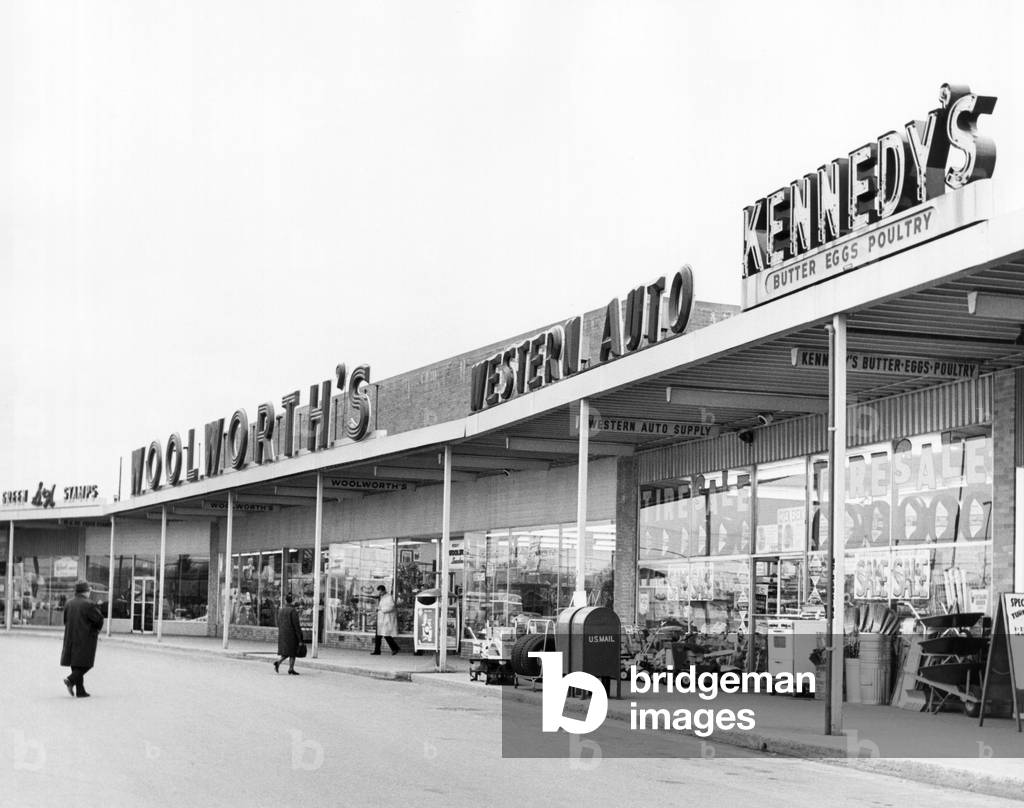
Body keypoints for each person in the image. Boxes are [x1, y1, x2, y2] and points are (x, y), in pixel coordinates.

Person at [60, 581, 104, 698]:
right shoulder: (89, 604)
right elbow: (99, 619)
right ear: (85, 591)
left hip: (71, 636)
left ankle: (80, 690)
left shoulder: (68, 603)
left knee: (76, 663)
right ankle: (70, 680)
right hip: (86, 637)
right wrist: (97, 630)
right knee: (86, 663)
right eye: (89, 590)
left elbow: (65, 621)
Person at [273, 593, 303, 675]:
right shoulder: (293, 611)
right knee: (292, 652)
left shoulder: (281, 610)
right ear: (292, 601)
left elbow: (278, 622)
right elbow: (296, 625)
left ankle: (287, 667)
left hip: (283, 634)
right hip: (292, 635)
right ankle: (288, 667)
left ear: (286, 600)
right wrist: (300, 638)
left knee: (288, 651)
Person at [371, 585, 399, 655]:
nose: (379, 593)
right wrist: (378, 609)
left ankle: (395, 648)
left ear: (383, 590)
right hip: (381, 620)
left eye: (380, 591)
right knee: (379, 636)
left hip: (386, 619)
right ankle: (377, 650)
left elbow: (391, 607)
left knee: (386, 635)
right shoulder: (383, 597)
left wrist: (381, 609)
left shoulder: (389, 597)